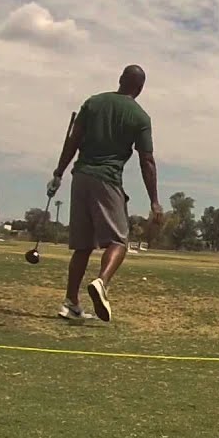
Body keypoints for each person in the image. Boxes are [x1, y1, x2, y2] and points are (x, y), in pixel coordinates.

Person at [47, 65, 163, 322]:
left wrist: (58, 173)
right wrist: (154, 200)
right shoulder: (140, 117)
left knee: (83, 246)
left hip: (80, 177)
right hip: (107, 179)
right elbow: (147, 160)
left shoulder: (93, 102)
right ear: (141, 88)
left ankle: (71, 303)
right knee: (119, 241)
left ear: (120, 80)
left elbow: (73, 140)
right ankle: (102, 282)